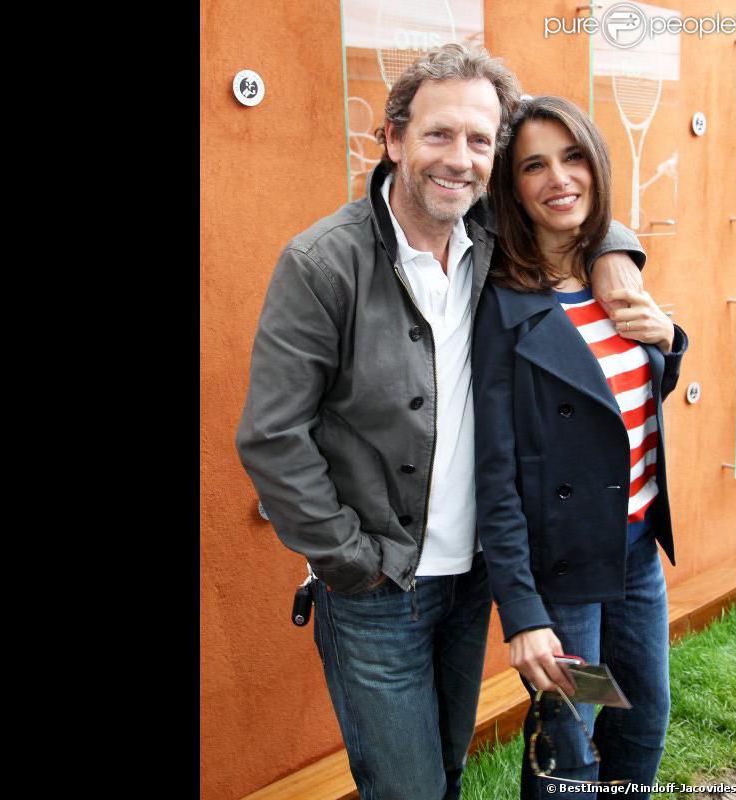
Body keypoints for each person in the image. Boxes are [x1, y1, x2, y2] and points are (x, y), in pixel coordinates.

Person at [235, 46, 648, 800]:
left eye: (480, 141)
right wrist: (350, 561)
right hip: (377, 588)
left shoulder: (490, 236)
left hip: (472, 582)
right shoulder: (323, 264)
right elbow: (271, 436)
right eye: (438, 135)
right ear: (392, 137)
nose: (460, 159)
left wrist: (620, 255)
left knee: (450, 771)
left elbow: (572, 201)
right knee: (408, 789)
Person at [472, 95, 689, 799]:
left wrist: (670, 340)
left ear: (595, 163)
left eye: (572, 157)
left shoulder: (612, 275)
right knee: (571, 750)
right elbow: (495, 476)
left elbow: (624, 399)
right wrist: (523, 613)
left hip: (634, 553)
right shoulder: (500, 305)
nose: (558, 178)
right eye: (534, 165)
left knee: (643, 722)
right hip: (561, 572)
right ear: (511, 184)